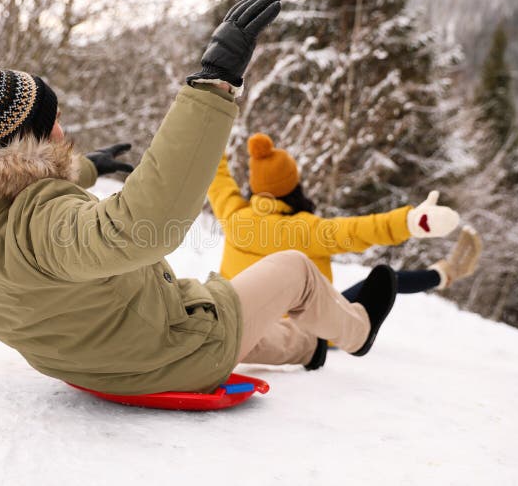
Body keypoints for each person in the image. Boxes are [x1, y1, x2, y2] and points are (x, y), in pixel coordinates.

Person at [0, 0, 398, 396]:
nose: (63, 132)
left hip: (91, 351)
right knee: (293, 270)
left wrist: (83, 169)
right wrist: (214, 87)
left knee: (218, 304)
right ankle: (357, 330)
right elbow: (129, 228)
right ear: (28, 144)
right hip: (157, 355)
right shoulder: (42, 228)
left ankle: (310, 345)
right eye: (53, 125)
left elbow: (17, 200)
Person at [207, 133, 483, 367]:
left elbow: (216, 177)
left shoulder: (235, 218)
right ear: (294, 187)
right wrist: (410, 222)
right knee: (381, 282)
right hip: (308, 332)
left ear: (255, 187)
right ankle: (444, 273)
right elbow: (360, 230)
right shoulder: (309, 230)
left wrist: (211, 129)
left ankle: (444, 273)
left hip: (242, 321)